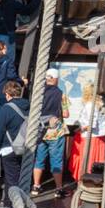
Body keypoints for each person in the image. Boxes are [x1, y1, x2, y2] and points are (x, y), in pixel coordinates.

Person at [32, 68, 69, 199]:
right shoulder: (60, 94)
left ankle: (36, 186)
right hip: (55, 132)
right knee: (56, 160)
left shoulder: (39, 92)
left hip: (40, 131)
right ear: (55, 79)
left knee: (39, 159)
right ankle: (58, 189)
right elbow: (65, 114)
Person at [0, 78, 29, 202]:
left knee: (11, 181)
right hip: (26, 148)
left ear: (7, 94)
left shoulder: (6, 109)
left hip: (9, 149)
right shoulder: (29, 106)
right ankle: (14, 204)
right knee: (19, 179)